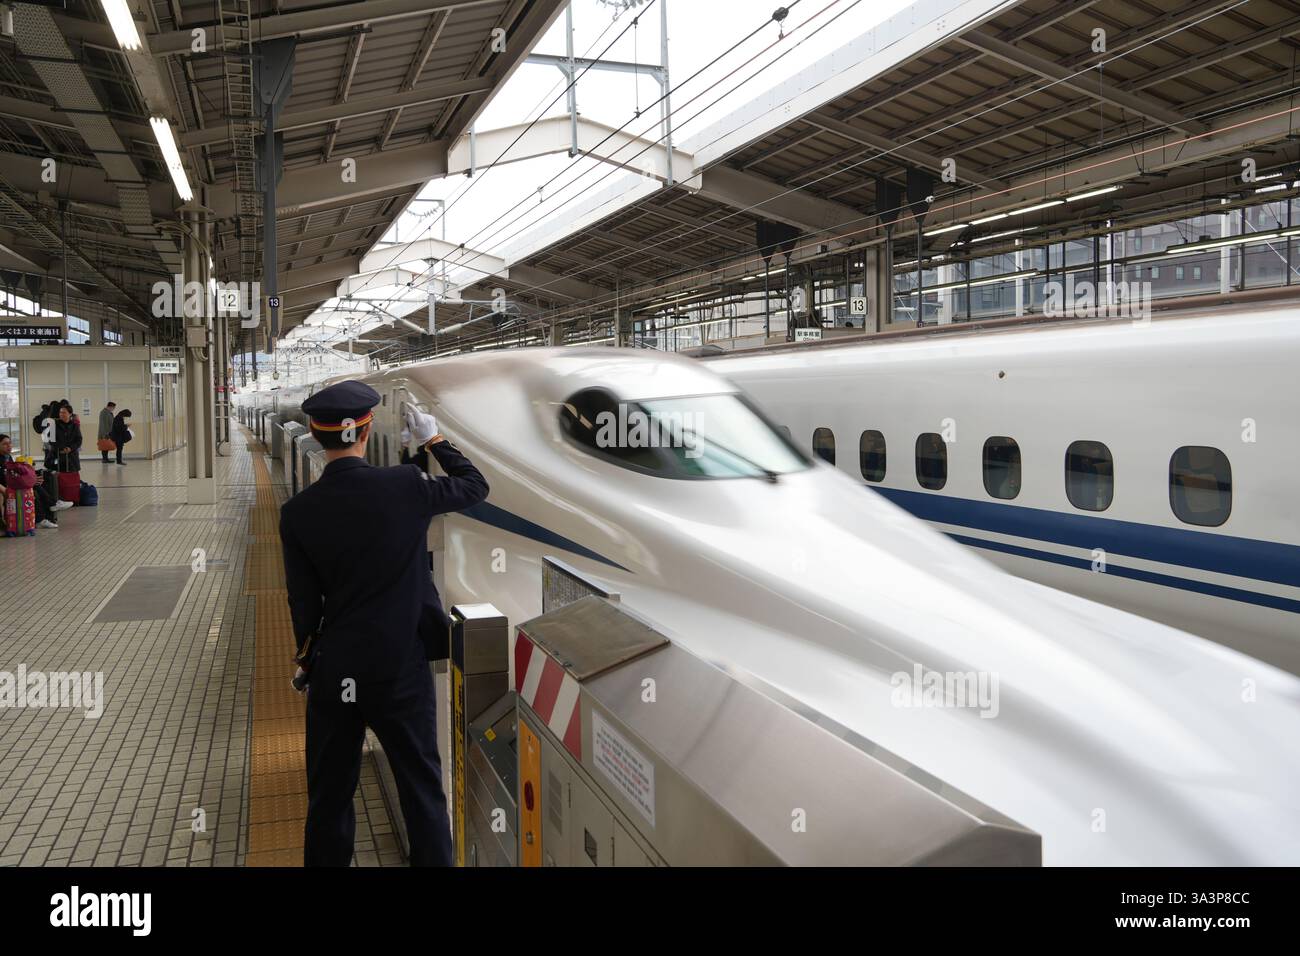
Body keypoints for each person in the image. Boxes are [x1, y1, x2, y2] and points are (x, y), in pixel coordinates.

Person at [279, 381, 488, 867]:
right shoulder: (404, 486)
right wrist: (435, 442)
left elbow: (304, 604)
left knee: (329, 796)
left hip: (337, 672)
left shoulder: (298, 513)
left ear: (315, 433)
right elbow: (476, 487)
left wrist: (308, 659)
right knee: (421, 790)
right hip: (400, 667)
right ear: (367, 430)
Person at [0, 434, 60, 529]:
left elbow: (15, 474)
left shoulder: (8, 457)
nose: (9, 446)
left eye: (10, 443)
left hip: (12, 484)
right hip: (7, 486)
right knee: (33, 490)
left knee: (35, 485)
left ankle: (49, 509)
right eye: (5, 444)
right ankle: (48, 509)